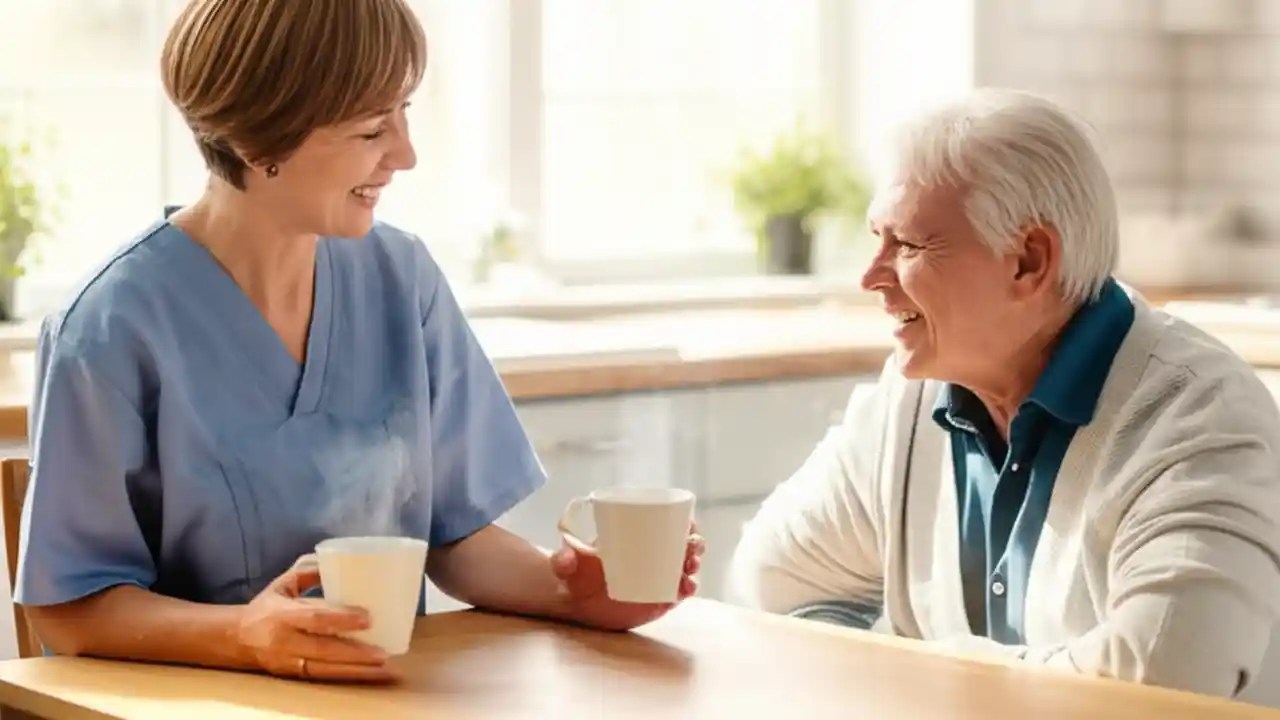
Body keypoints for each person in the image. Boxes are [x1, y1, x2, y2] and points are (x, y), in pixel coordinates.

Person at [15, 0, 703, 683]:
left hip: (386, 696)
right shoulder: (109, 328)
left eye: (404, 114)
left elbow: (454, 537)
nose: (405, 154)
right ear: (261, 139)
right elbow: (70, 609)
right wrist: (243, 636)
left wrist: (573, 593)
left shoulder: (403, 281)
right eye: (374, 128)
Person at [726, 88, 1280, 699]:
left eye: (906, 245)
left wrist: (928, 678)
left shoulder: (1202, 418)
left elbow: (1167, 678)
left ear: (1027, 261)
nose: (871, 277)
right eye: (875, 237)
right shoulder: (912, 400)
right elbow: (769, 579)